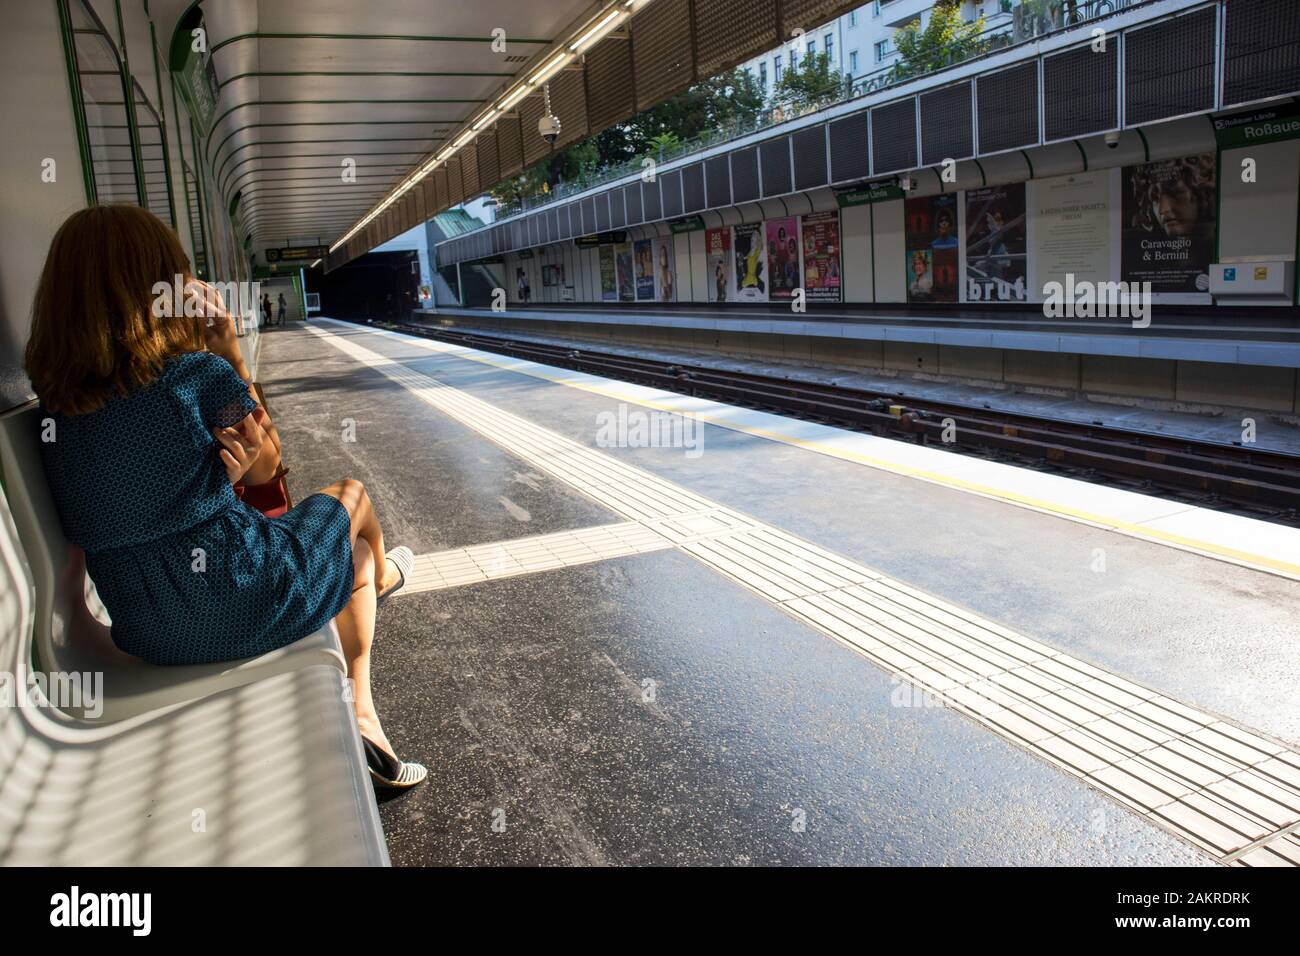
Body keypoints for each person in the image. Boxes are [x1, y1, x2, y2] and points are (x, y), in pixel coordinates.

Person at [24, 205, 425, 790]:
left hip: (147, 629)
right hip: (249, 593)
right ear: (160, 287)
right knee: (353, 499)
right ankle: (365, 693)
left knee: (352, 560)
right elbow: (270, 472)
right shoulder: (195, 378)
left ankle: (371, 601)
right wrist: (227, 346)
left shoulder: (55, 416)